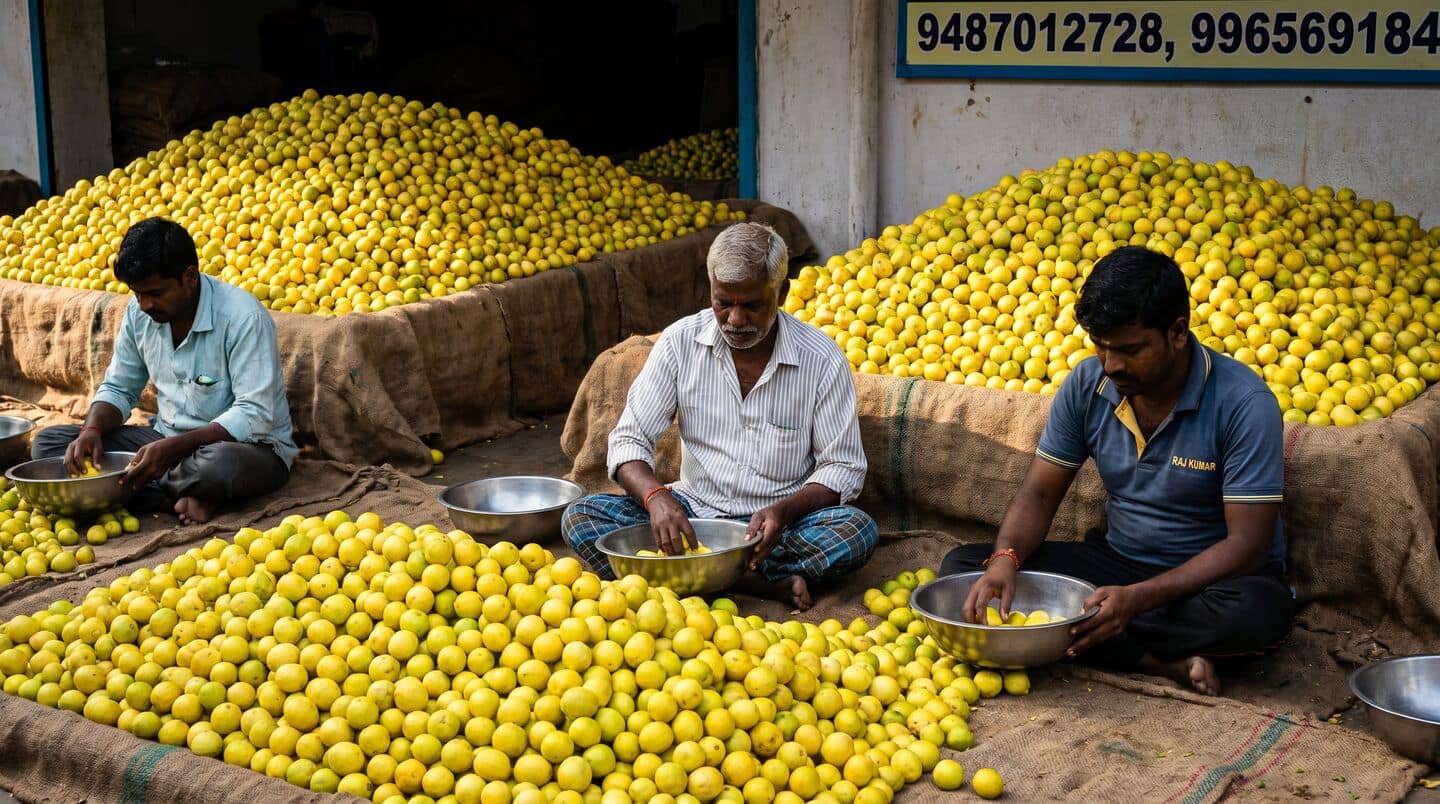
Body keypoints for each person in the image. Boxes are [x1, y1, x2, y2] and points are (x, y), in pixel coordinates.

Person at [941, 246, 1293, 695]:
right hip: (1118, 565)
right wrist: (1005, 560)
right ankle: (1157, 663)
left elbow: (1248, 545)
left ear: (1178, 333)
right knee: (963, 569)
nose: (1111, 365)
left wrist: (1138, 600)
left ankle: (1096, 634)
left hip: (1211, 583)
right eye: (1101, 347)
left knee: (1258, 612)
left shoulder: (1244, 403)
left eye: (1129, 350)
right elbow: (1040, 494)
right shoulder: (1090, 384)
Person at [563, 221, 877, 609]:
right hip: (694, 515)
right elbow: (629, 439)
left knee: (854, 532)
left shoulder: (821, 359)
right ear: (710, 289)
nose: (735, 320)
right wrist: (657, 498)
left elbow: (843, 468)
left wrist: (782, 512)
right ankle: (755, 584)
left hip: (779, 526)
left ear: (781, 292)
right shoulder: (680, 343)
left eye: (752, 305)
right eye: (723, 303)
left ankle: (698, 578)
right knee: (581, 518)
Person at [32, 218, 297, 525]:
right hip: (164, 438)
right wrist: (91, 430)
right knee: (50, 446)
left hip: (246, 450)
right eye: (137, 294)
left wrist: (173, 450)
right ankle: (187, 496)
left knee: (218, 466)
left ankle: (132, 489)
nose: (144, 304)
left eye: (155, 292)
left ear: (189, 277)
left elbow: (254, 414)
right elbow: (119, 388)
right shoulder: (140, 314)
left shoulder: (242, 318)